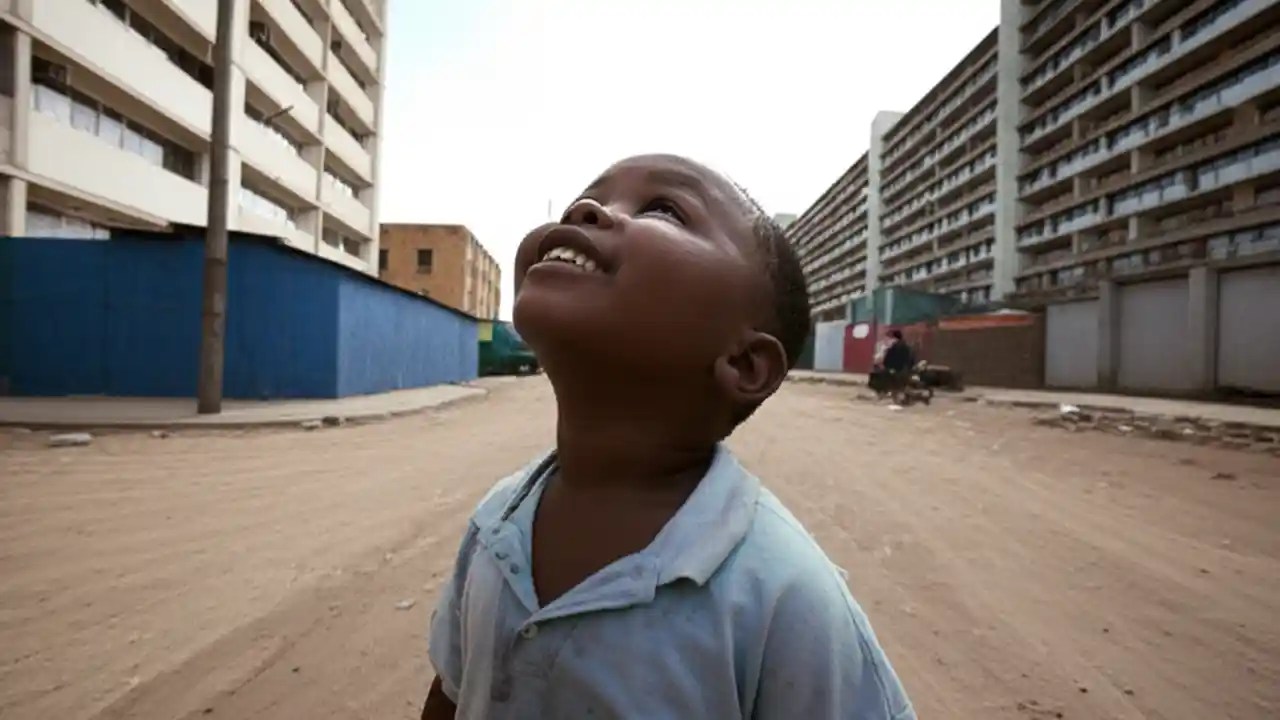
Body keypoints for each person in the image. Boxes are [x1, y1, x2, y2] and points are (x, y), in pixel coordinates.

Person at [421, 154, 915, 720]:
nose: (587, 210)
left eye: (665, 210)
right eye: (592, 198)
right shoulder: (496, 525)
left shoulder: (785, 597)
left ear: (745, 363)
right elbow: (452, 696)